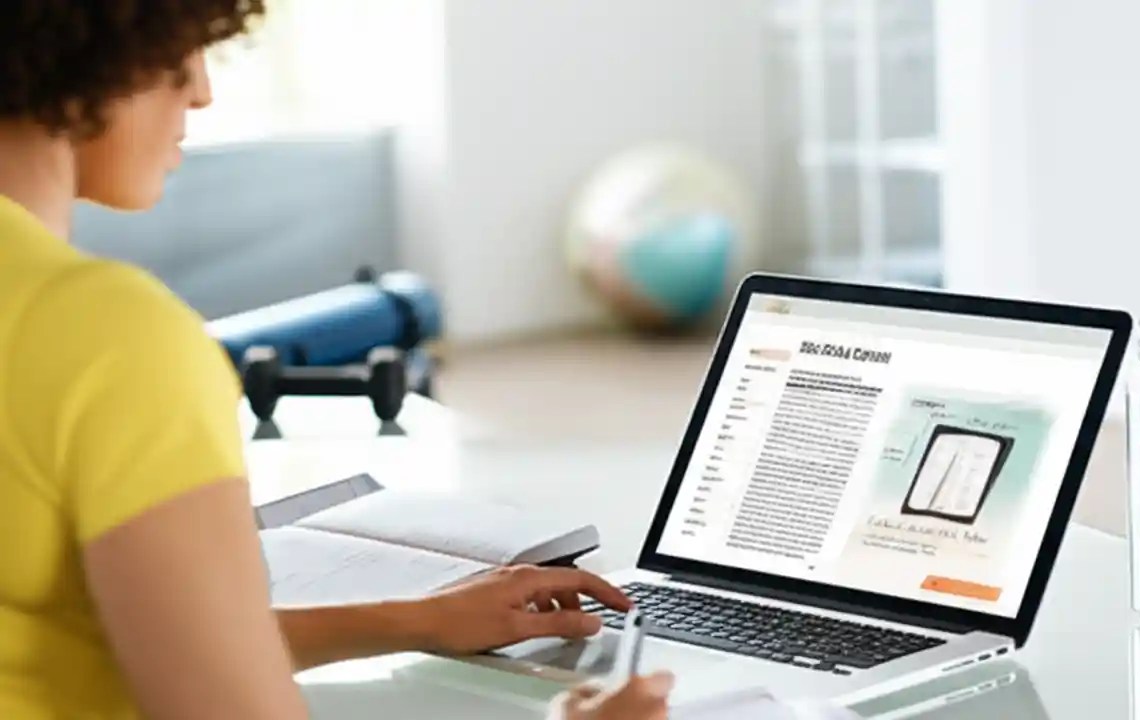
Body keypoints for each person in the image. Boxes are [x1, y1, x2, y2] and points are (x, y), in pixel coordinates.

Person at [0, 2, 672, 719]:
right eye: (181, 51)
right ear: (85, 46)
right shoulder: (109, 337)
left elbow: (101, 633)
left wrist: (413, 619)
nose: (201, 90)